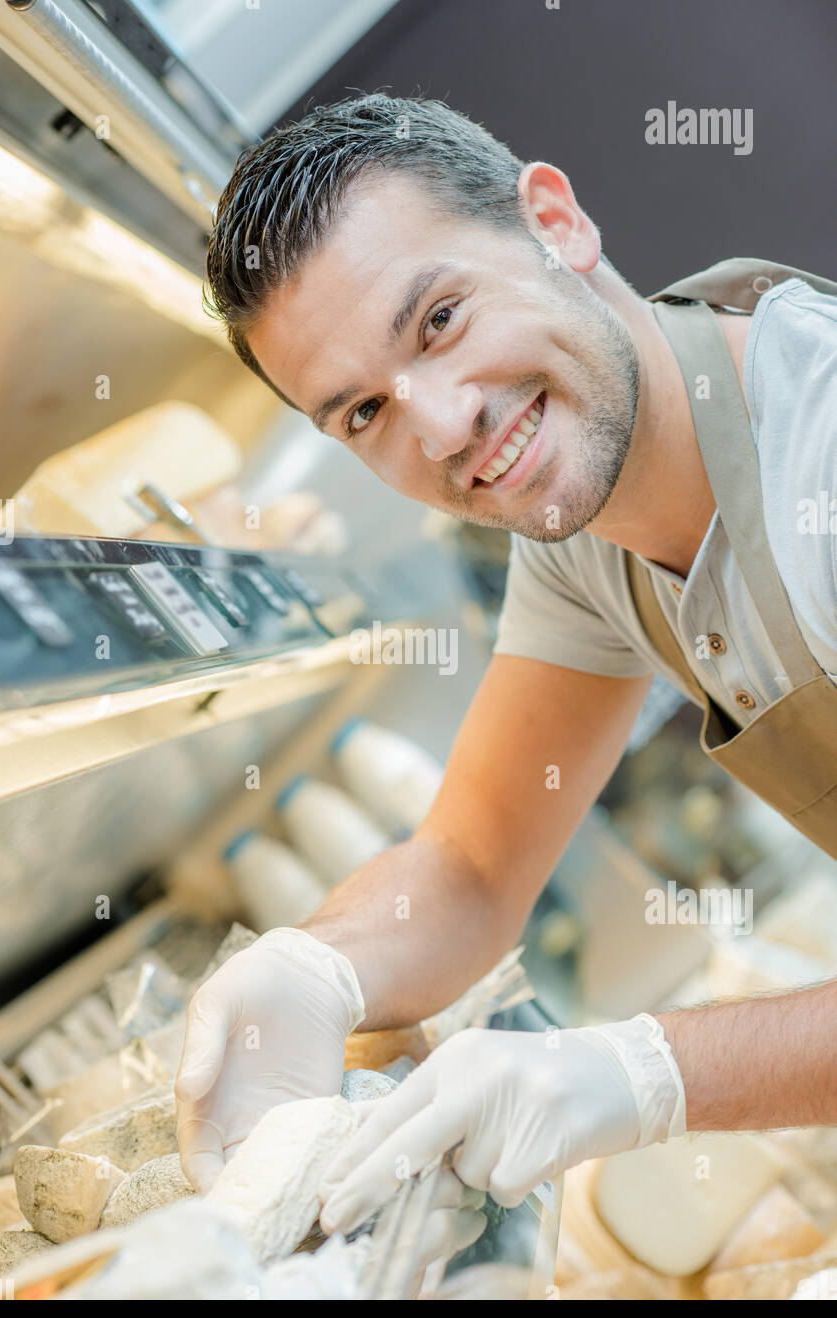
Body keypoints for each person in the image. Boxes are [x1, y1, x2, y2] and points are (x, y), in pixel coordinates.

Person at [175, 94, 837, 1236]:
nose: (439, 426)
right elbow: (474, 868)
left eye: (437, 319)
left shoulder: (817, 448)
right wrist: (312, 967)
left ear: (554, 220)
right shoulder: (589, 546)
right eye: (364, 411)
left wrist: (642, 1074)